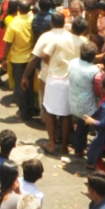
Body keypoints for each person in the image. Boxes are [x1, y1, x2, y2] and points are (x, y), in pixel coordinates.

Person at [31, 12, 82, 156]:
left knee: (48, 111)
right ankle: (64, 146)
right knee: (67, 115)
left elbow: (44, 56)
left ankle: (52, 144)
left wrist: (54, 64)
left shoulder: (57, 38)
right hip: (71, 80)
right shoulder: (81, 41)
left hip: (55, 80)